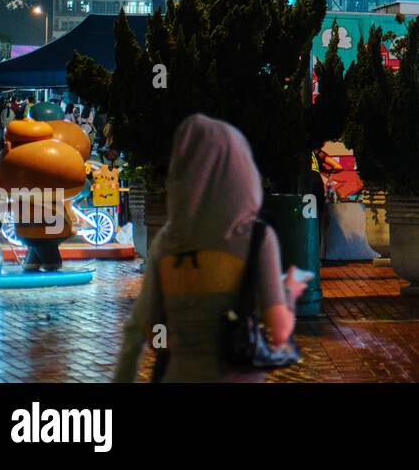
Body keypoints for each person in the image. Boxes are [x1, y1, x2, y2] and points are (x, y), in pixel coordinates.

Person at [113, 114, 305, 382]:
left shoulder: (167, 241)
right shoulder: (256, 238)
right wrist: (289, 293)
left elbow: (153, 333)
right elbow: (279, 330)